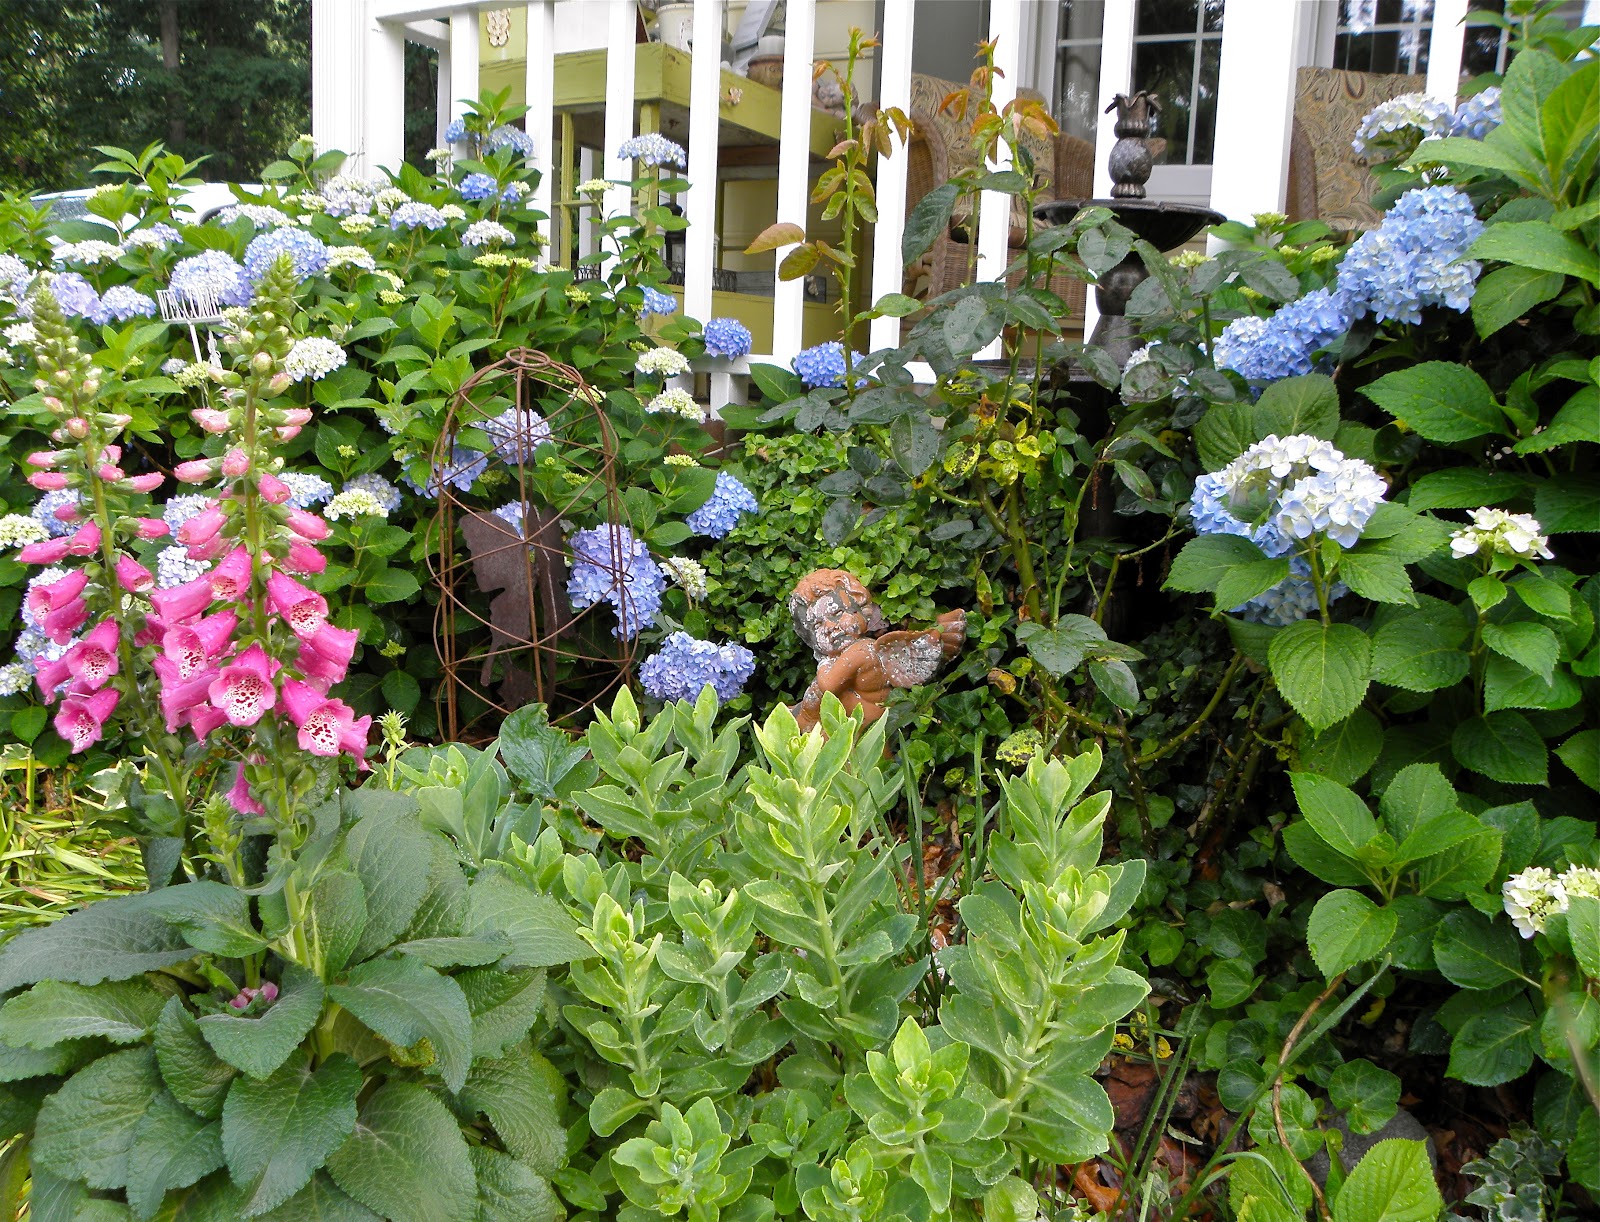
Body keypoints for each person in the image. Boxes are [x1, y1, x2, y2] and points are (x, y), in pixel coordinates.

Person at [788, 568, 965, 733]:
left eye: (837, 613)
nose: (829, 627)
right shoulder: (845, 653)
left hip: (868, 726)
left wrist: (824, 662)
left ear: (860, 611)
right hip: (851, 720)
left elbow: (827, 686)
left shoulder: (860, 650)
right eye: (817, 625)